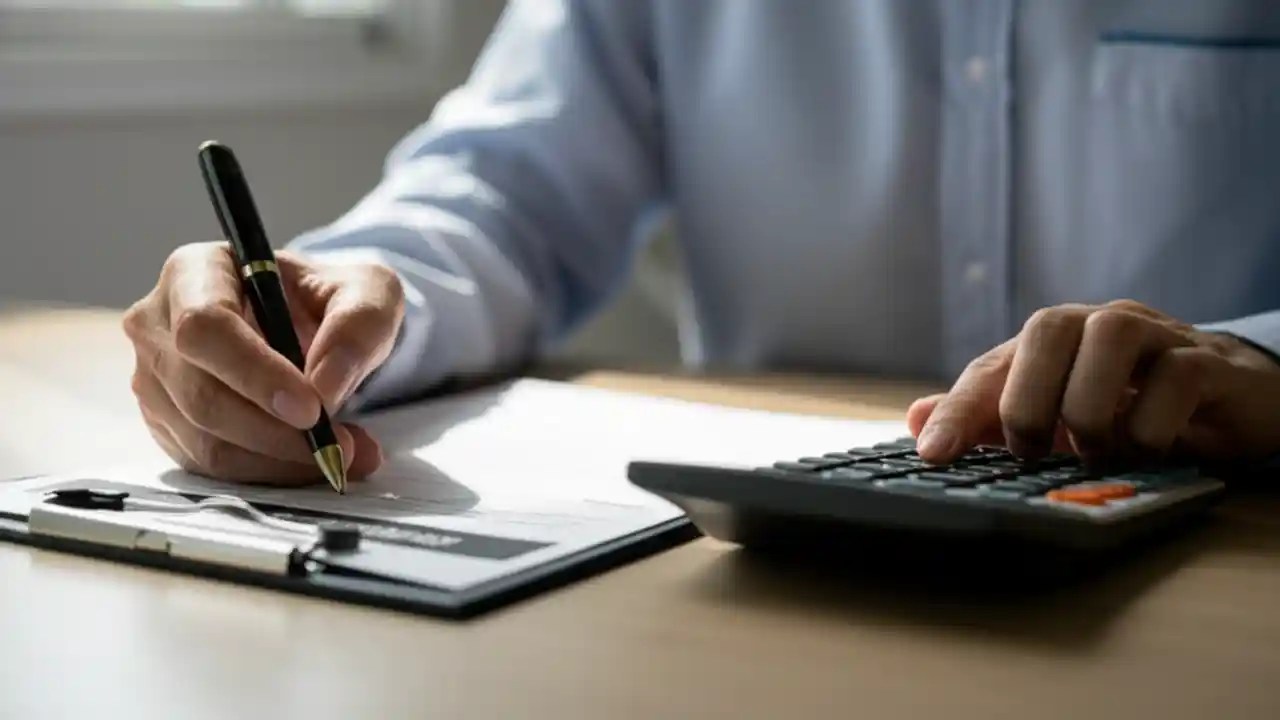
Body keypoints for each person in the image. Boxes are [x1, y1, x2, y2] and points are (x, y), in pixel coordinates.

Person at [122, 1, 1280, 483]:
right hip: (780, 571)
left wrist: (1262, 358)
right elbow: (506, 190)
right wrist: (341, 299)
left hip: (1223, 536)